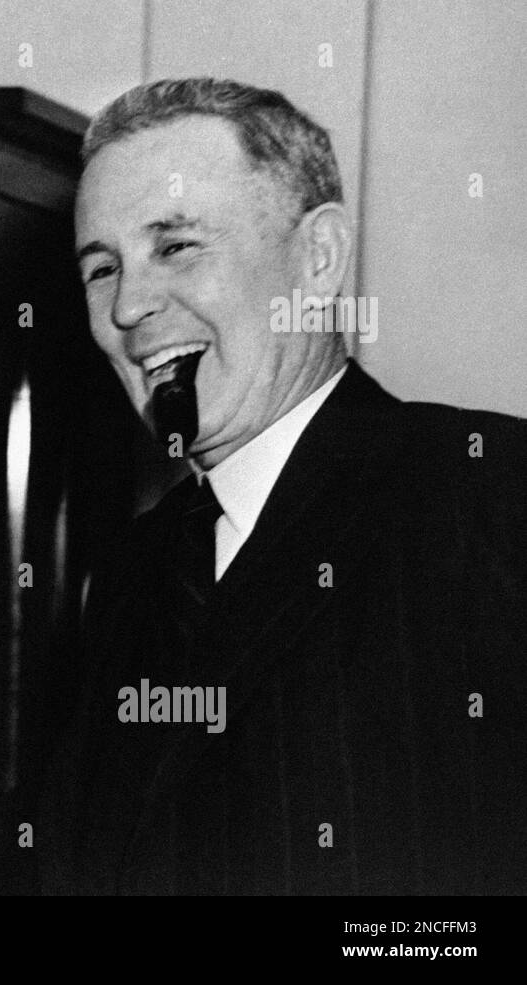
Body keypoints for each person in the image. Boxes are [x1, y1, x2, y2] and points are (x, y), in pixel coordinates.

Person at [39, 78, 526, 894]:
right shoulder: (128, 572)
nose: (128, 305)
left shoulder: (489, 494)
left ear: (319, 258)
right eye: (100, 268)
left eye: (176, 245)